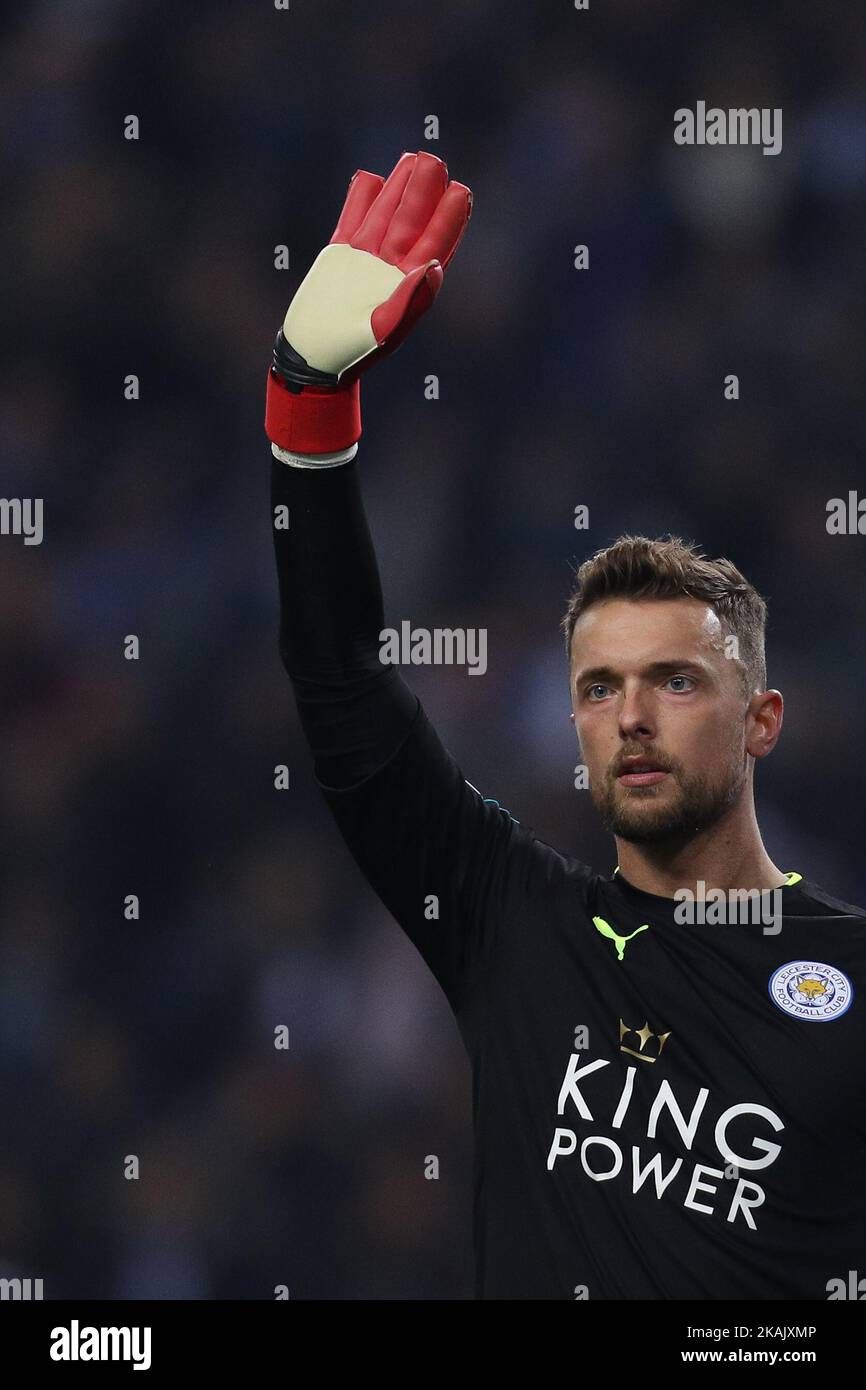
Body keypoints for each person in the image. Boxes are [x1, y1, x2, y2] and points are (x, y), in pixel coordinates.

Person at [265, 150, 866, 1299]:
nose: (629, 716)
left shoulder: (848, 977)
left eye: (673, 682)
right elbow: (338, 679)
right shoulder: (509, 920)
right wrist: (306, 407)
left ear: (760, 719)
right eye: (596, 688)